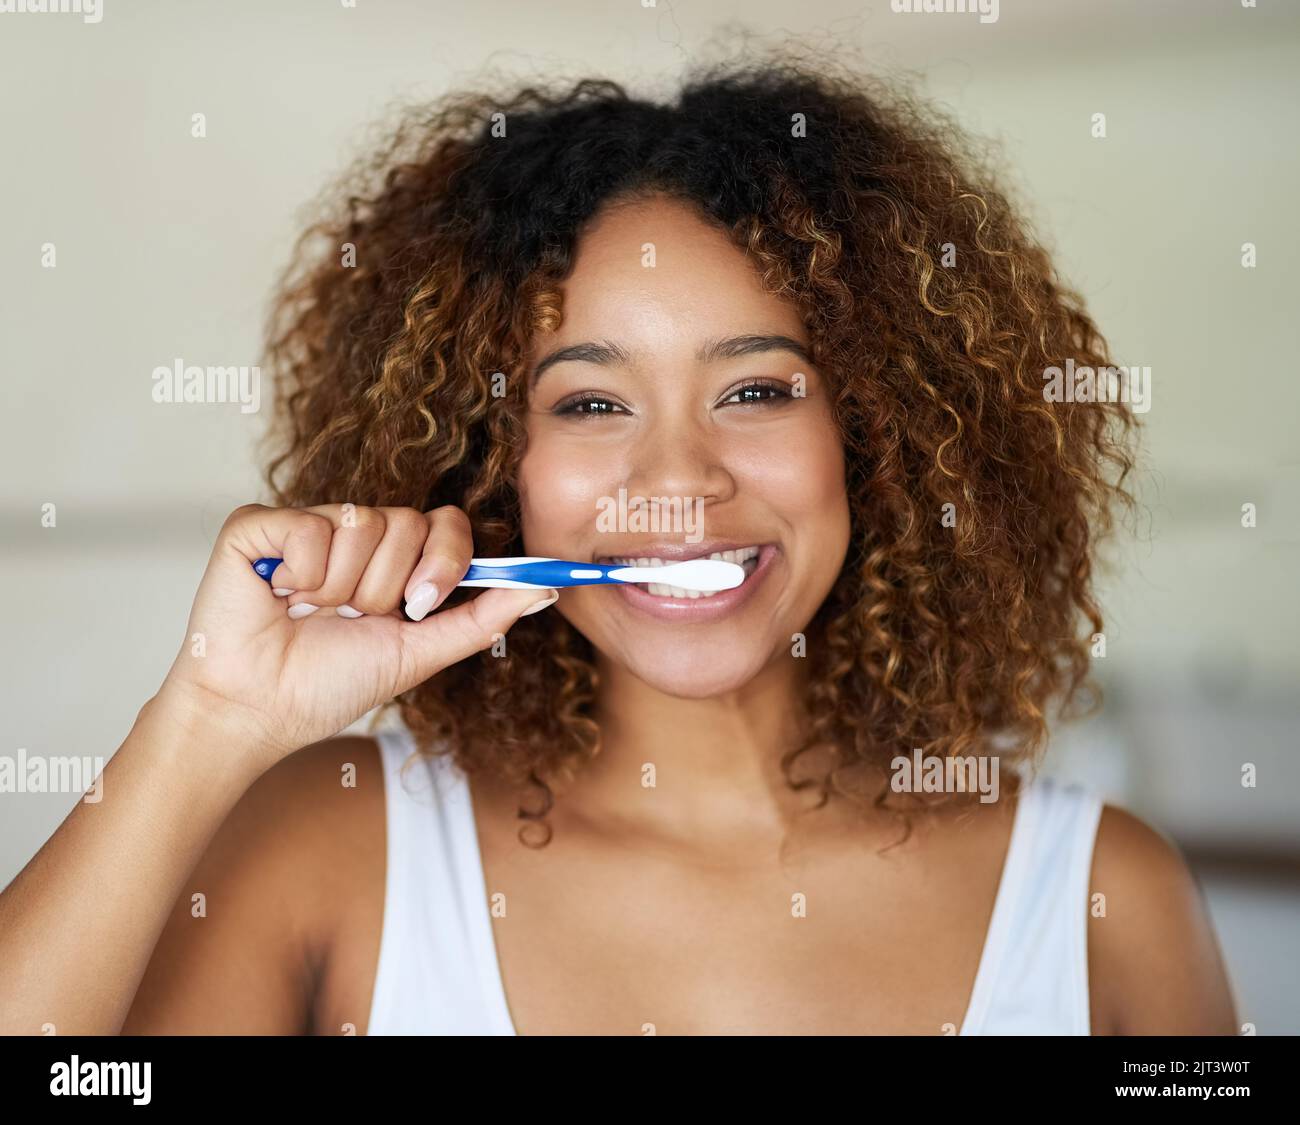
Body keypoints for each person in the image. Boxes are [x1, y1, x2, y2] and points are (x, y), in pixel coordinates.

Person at [0, 53, 1237, 1035]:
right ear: (495, 466)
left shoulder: (1101, 902)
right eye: (589, 403)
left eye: (757, 390)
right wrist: (211, 718)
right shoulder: (324, 856)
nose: (677, 479)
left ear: (874, 438)